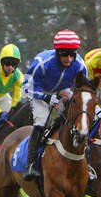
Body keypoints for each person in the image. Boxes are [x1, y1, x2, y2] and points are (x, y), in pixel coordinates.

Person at [21, 30, 89, 180]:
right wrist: (46, 97)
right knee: (42, 120)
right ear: (57, 52)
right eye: (65, 54)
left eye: (72, 54)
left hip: (62, 89)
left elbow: (84, 88)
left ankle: (87, 164)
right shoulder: (42, 62)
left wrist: (70, 96)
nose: (69, 59)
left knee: (78, 118)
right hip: (39, 91)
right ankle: (31, 164)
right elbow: (26, 87)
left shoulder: (80, 65)